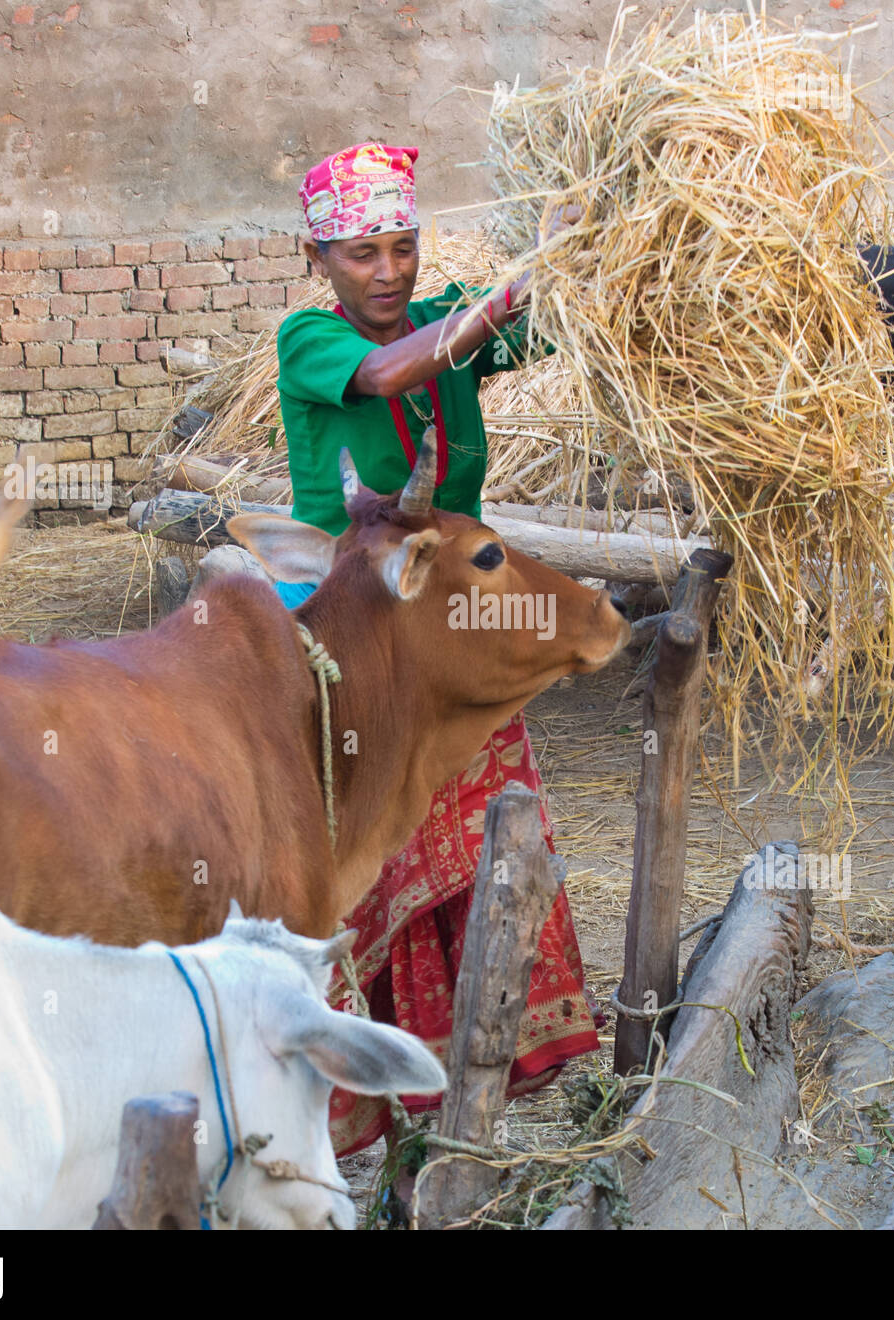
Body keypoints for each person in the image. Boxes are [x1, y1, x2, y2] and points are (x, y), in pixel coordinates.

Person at [276, 141, 597, 1157]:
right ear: (318, 258)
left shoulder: (448, 316)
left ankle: (477, 1063)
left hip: (451, 609)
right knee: (371, 840)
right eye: (362, 252)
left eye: (402, 247)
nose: (386, 272)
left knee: (492, 825)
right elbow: (389, 374)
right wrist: (495, 305)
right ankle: (359, 1095)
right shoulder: (310, 341)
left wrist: (576, 254)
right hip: (349, 613)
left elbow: (545, 327)